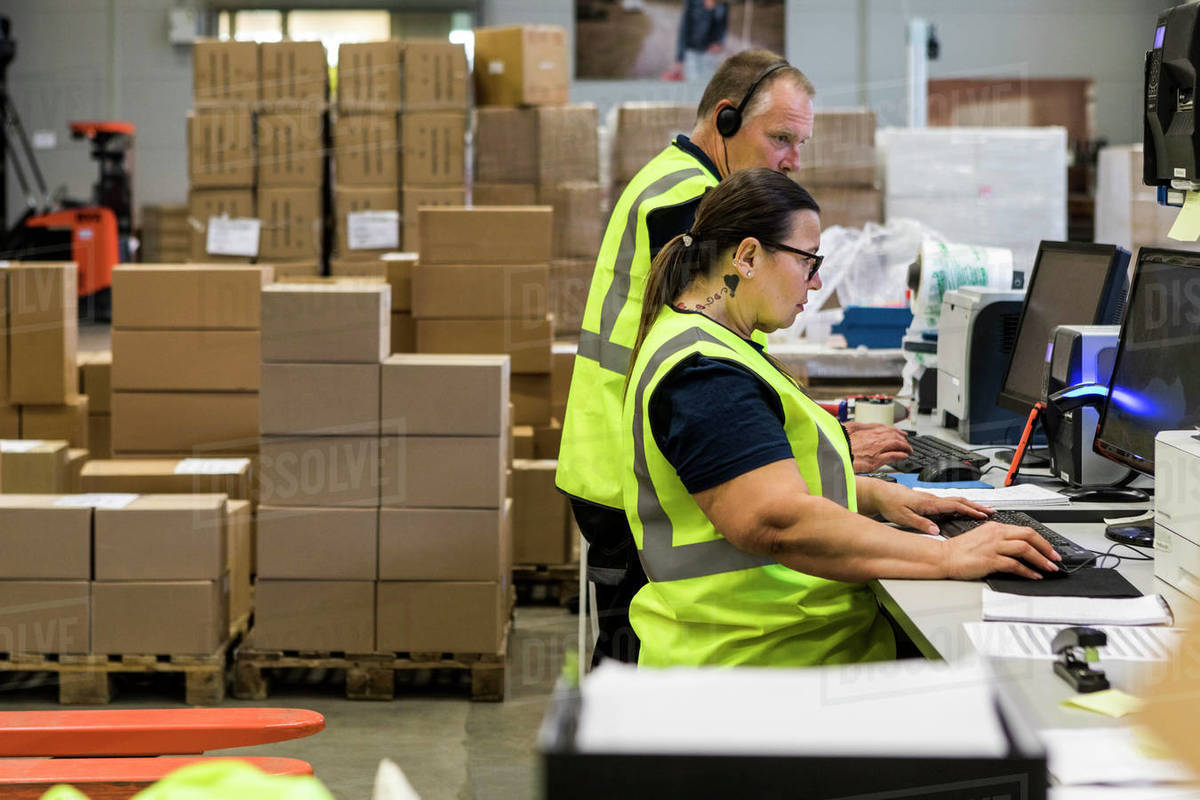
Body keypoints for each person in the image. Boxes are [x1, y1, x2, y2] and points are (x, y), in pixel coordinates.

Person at [622, 168, 1062, 666]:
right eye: (808, 262)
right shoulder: (706, 375)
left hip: (770, 642)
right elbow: (778, 521)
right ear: (747, 257)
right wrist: (949, 555)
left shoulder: (707, 340)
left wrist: (873, 494)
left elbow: (767, 480)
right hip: (767, 661)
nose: (816, 281)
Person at [557, 50, 911, 664]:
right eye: (780, 138)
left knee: (636, 649)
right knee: (642, 649)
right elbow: (704, 372)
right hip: (635, 468)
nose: (792, 159)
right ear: (724, 121)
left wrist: (811, 427)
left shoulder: (674, 179)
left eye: (799, 143)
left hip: (623, 454)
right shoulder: (690, 200)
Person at [661, 0, 729, 82]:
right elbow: (683, 29)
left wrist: (719, 42)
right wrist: (679, 58)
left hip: (710, 54)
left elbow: (723, 27)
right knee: (692, 84)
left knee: (709, 85)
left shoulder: (722, 4)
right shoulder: (692, 2)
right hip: (691, 53)